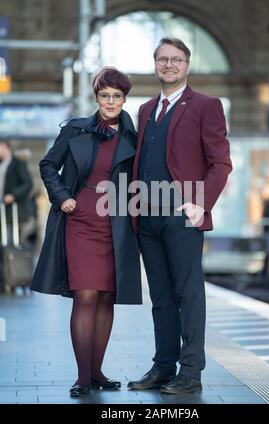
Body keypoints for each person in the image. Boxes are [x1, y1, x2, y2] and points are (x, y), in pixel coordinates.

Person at [128, 38, 232, 394]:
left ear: (187, 65)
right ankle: (162, 366)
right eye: (162, 59)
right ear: (155, 64)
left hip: (183, 215)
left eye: (176, 60)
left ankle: (191, 373)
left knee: (188, 293)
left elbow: (221, 163)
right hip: (148, 216)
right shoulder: (144, 110)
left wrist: (200, 203)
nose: (168, 65)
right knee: (160, 296)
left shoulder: (206, 105)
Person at [31, 67, 142, 397]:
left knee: (107, 296)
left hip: (117, 224)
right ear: (96, 98)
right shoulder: (75, 130)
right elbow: (48, 165)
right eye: (104, 95)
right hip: (80, 220)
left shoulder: (132, 138)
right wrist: (63, 196)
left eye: (117, 96)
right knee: (86, 294)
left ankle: (96, 371)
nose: (110, 101)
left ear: (124, 99)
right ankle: (82, 377)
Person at [0, 140, 33, 244]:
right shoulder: (1, 164)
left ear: (4, 146)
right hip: (1, 207)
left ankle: (10, 259)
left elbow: (28, 183)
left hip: (12, 209)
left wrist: (13, 195)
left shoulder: (18, 163)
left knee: (10, 240)